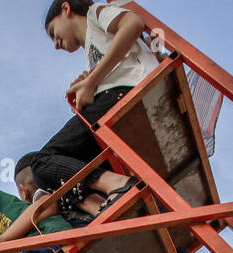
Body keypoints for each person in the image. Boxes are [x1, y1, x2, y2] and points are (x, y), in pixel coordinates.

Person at [35, 1, 155, 219]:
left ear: (66, 9)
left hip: (126, 93)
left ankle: (119, 186)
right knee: (62, 174)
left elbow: (132, 24)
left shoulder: (95, 13)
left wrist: (92, 82)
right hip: (116, 100)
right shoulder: (92, 48)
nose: (55, 44)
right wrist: (89, 83)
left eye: (53, 32)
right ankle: (127, 209)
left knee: (43, 161)